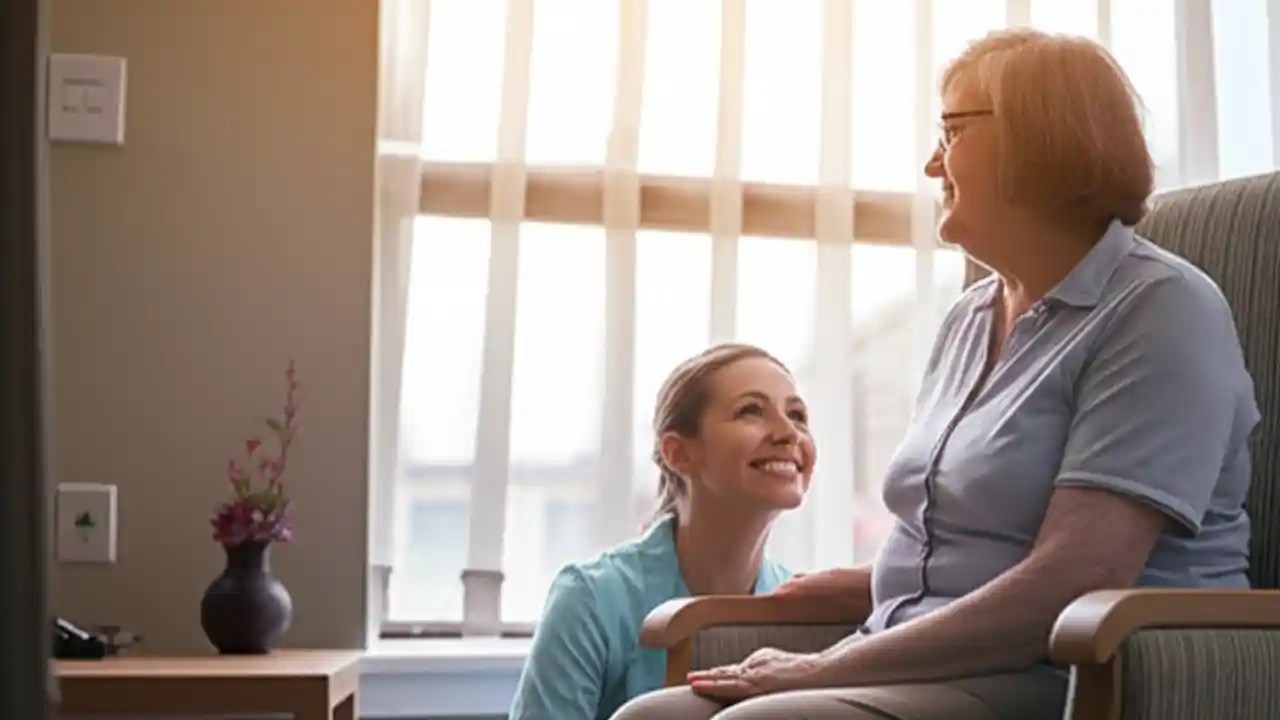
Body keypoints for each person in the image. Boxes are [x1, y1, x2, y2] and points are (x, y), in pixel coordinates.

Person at [612, 27, 1260, 720]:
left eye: (950, 132)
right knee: (651, 717)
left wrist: (823, 668)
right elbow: (971, 543)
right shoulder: (969, 317)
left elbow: (1076, 577)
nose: (931, 164)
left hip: (1068, 671)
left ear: (1037, 136)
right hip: (922, 660)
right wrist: (867, 587)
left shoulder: (1161, 310)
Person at [508, 342, 818, 720]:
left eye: (797, 415)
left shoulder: (802, 610)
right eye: (750, 411)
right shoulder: (589, 599)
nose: (789, 433)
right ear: (678, 454)